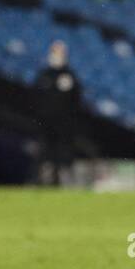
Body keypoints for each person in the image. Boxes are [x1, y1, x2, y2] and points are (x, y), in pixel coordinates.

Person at [34, 40, 84, 185]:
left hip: (65, 126)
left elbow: (77, 100)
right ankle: (44, 181)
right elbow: (35, 97)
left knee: (64, 155)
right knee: (45, 154)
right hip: (46, 125)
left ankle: (64, 182)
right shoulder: (44, 75)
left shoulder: (70, 76)